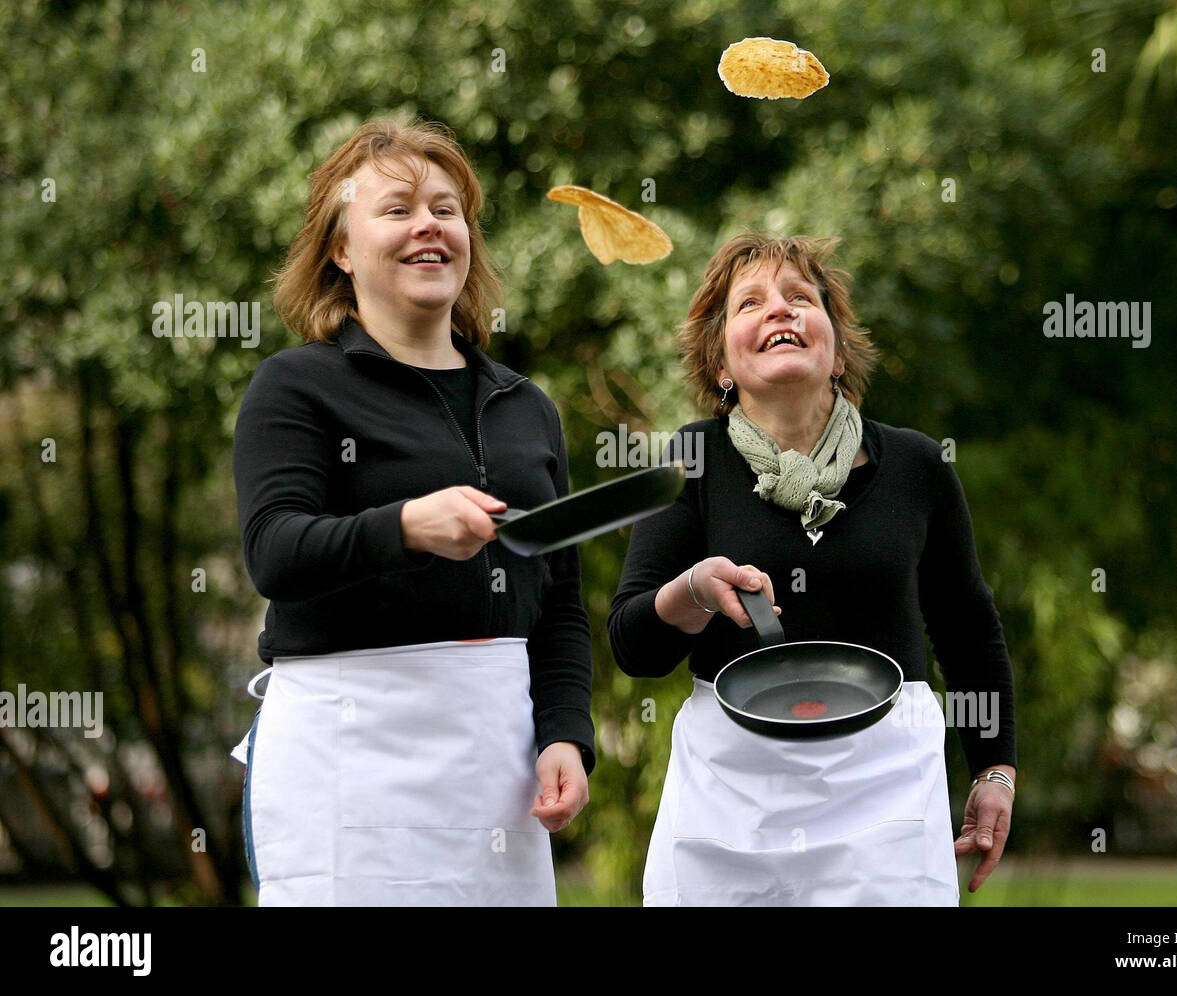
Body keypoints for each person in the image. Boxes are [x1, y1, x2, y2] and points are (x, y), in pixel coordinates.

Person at [230, 117, 594, 906]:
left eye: (446, 208)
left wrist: (566, 732)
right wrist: (404, 527)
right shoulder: (295, 387)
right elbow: (275, 551)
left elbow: (559, 597)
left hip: (496, 765)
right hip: (348, 759)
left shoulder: (526, 406)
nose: (429, 224)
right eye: (397, 209)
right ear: (340, 249)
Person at [608, 233, 1017, 906]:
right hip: (729, 797)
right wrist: (693, 591)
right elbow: (632, 644)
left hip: (887, 796)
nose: (781, 311)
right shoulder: (691, 458)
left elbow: (970, 632)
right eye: (751, 303)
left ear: (838, 350)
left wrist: (994, 772)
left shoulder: (916, 466)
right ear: (721, 365)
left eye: (801, 298)